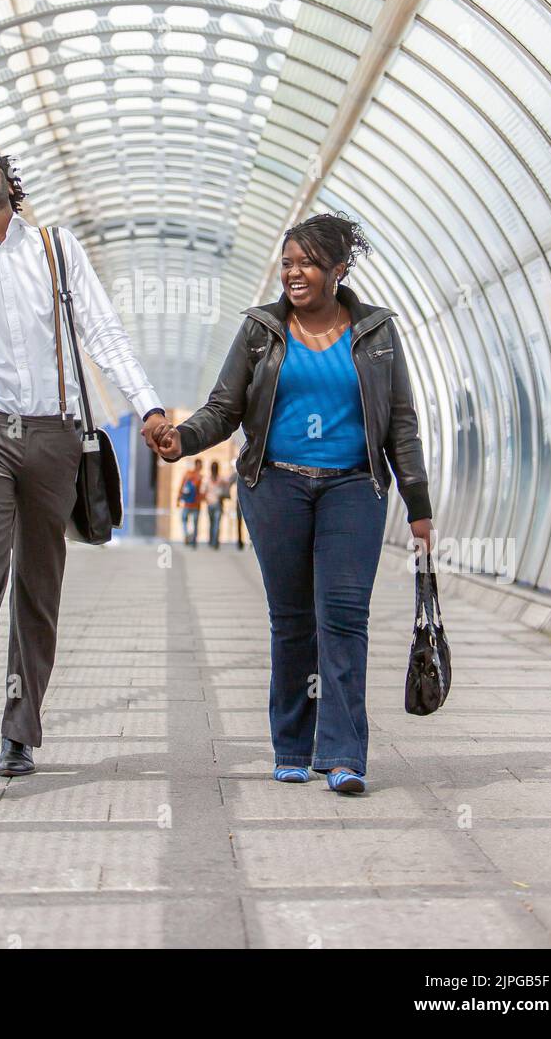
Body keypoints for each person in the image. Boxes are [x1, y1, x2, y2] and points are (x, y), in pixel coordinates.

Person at [145, 213, 434, 795]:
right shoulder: (260, 330)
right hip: (275, 486)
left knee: (345, 618)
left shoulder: (376, 333)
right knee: (293, 620)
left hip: (355, 487)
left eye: (305, 263)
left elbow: (401, 422)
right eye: (287, 263)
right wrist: (183, 440)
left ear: (338, 269)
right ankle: (293, 747)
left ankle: (345, 753)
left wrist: (418, 502)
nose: (293, 273)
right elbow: (225, 409)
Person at [0, 142, 167, 792]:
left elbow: (104, 333)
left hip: (56, 437)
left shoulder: (56, 248)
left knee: (39, 586)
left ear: (7, 180)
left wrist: (147, 407)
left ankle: (20, 729)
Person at [206, 460, 234, 550]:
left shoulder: (209, 479)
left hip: (211, 503)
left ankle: (212, 542)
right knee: (216, 524)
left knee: (212, 523)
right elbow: (228, 483)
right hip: (217, 503)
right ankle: (214, 542)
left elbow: (203, 491)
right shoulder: (220, 479)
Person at [177, 458, 204, 546]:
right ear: (197, 465)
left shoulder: (189, 474)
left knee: (189, 521)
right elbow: (183, 486)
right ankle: (190, 538)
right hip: (192, 504)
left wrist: (178, 498)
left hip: (192, 503)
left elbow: (182, 487)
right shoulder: (197, 477)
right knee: (190, 521)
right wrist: (178, 498)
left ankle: (190, 537)